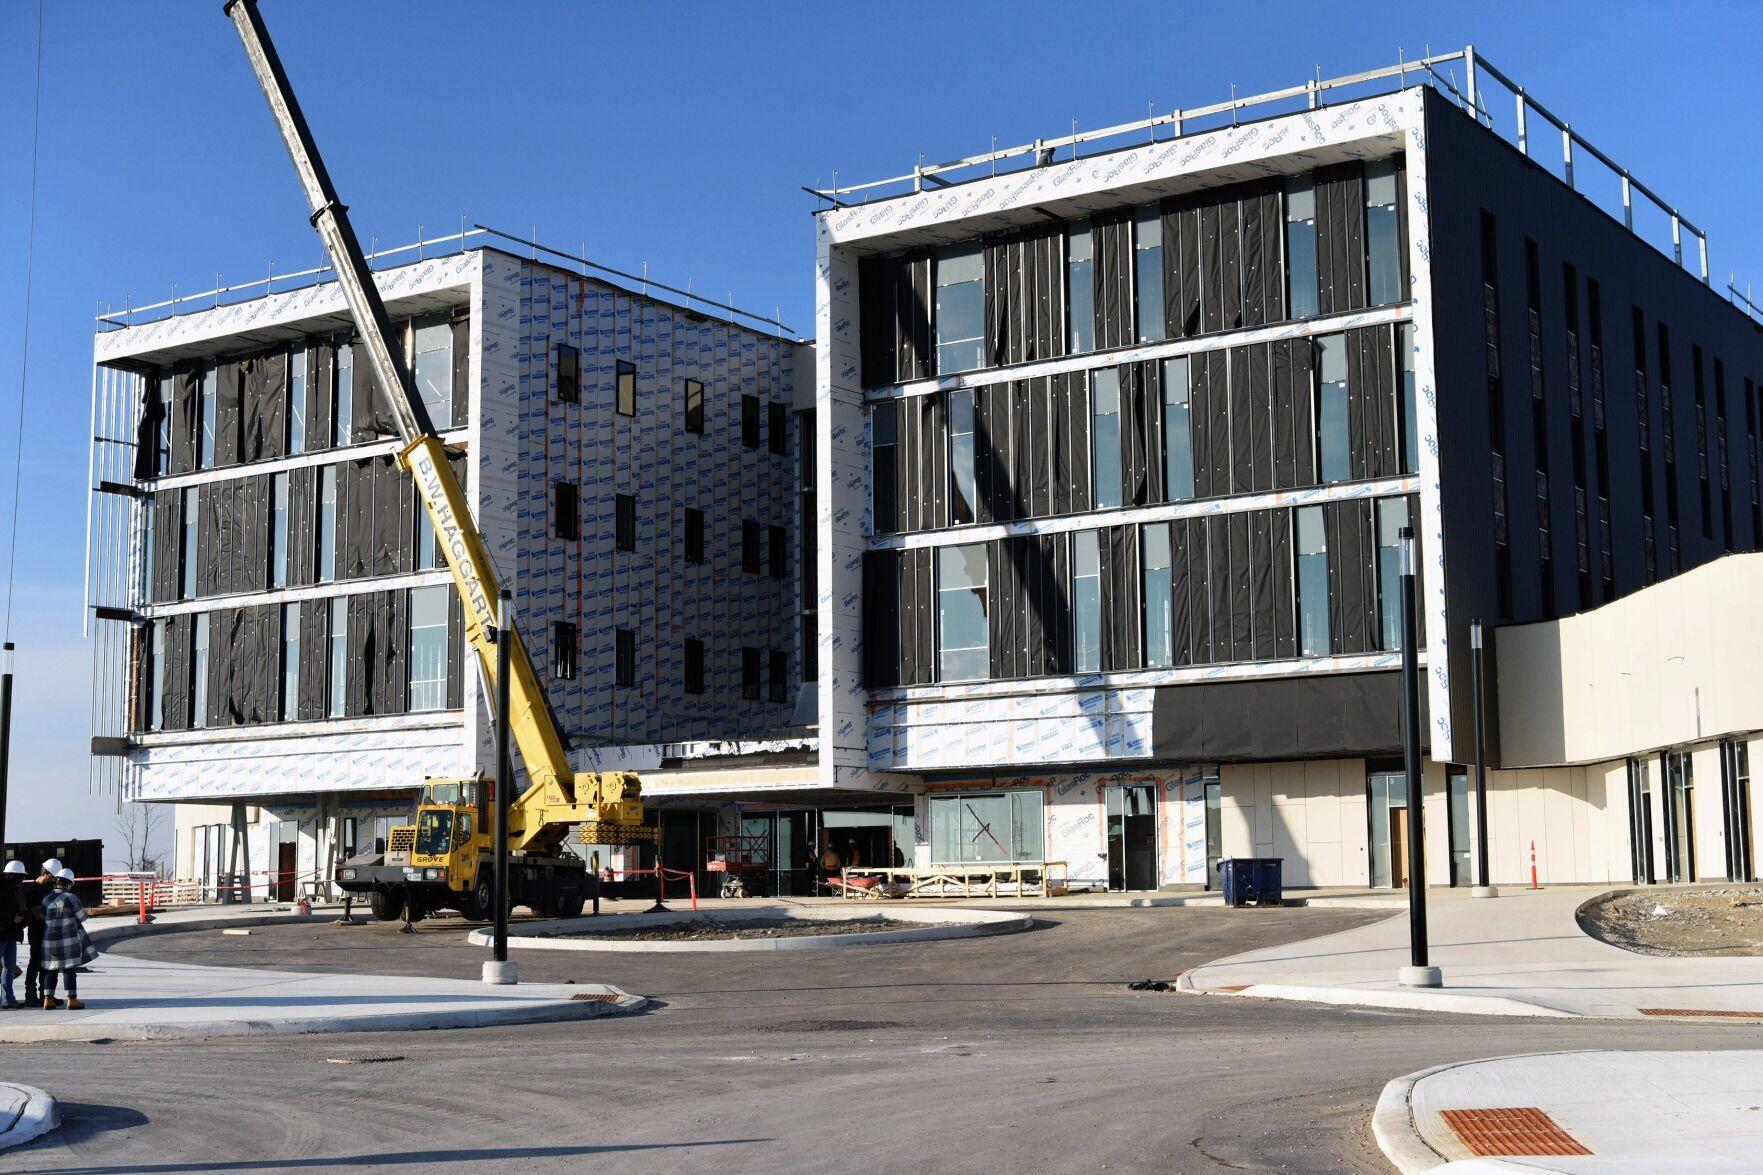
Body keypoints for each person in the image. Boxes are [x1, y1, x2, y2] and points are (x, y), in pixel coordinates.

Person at [40, 868, 97, 1011]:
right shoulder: (71, 898)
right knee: (69, 969)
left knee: (50, 969)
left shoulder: (46, 899)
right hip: (68, 940)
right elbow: (82, 917)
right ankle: (72, 1000)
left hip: (49, 940)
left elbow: (42, 917)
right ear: (69, 884)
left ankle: (48, 1000)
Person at [21, 859, 58, 1006]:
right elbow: (38, 914)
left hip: (47, 931)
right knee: (35, 963)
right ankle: (30, 995)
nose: (54, 879)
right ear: (46, 873)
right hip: (37, 932)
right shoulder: (33, 890)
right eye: (53, 876)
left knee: (46, 965)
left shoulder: (48, 888)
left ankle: (46, 995)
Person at [0, 863, 24, 1009]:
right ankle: (7, 999)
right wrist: (12, 919)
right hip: (2, 933)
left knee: (9, 968)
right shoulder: (3, 889)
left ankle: (7, 999)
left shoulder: (11, 890)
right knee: (7, 968)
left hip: (10, 934)